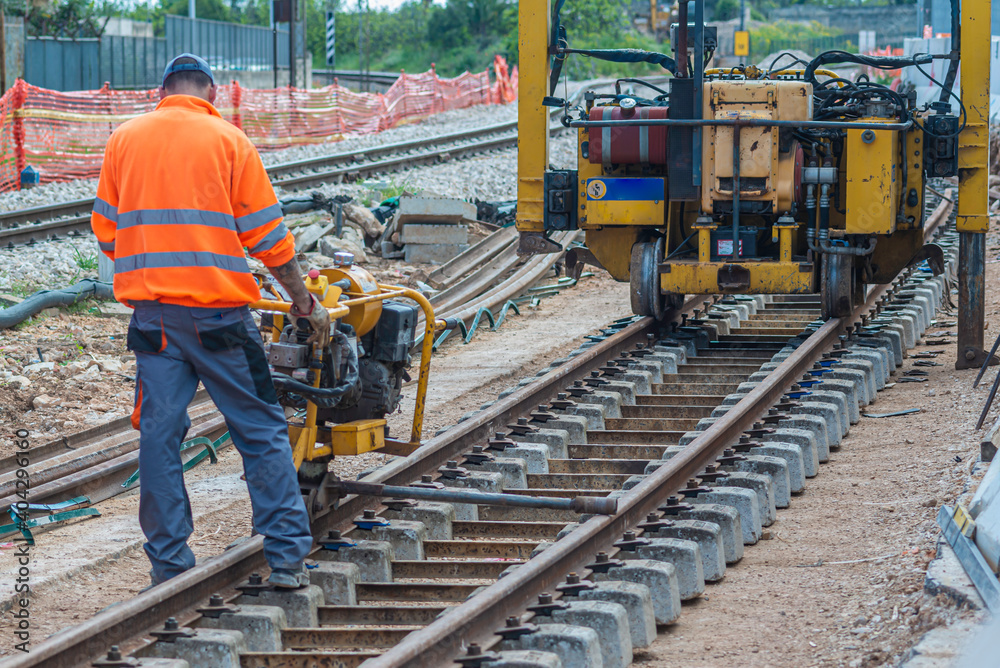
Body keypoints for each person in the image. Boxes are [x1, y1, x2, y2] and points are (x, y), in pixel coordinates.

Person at [90, 53, 330, 589]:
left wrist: (152, 257)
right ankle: (288, 559)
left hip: (154, 322)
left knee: (158, 438)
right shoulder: (229, 141)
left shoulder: (124, 139)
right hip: (220, 320)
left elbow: (106, 231)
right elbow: (269, 238)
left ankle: (169, 568)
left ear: (162, 91)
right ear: (211, 95)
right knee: (261, 430)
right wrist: (303, 302)